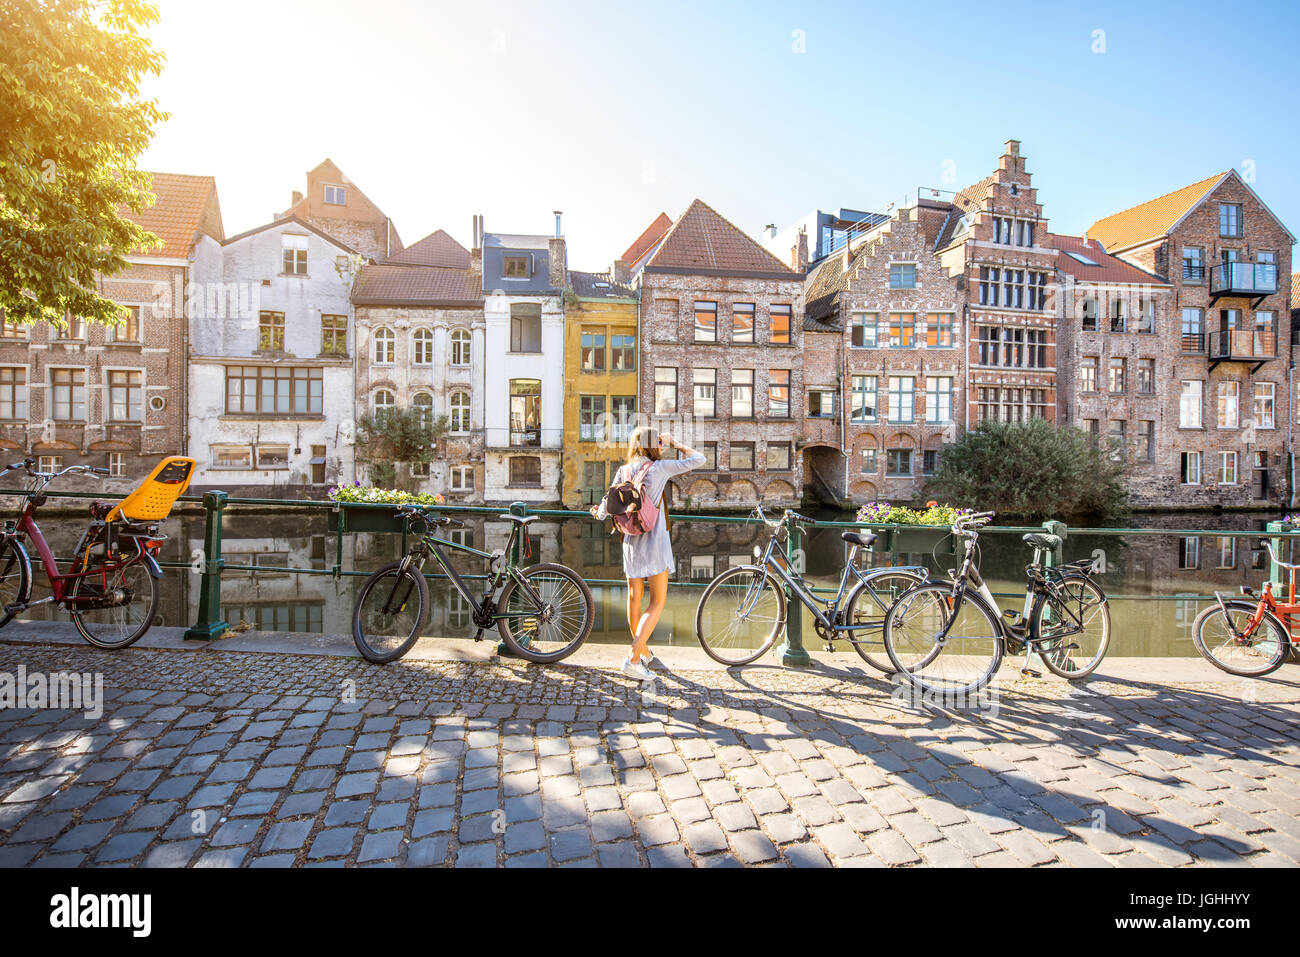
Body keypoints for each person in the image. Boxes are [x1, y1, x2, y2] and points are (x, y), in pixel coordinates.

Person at [590, 427, 705, 680]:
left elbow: (609, 504)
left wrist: (597, 513)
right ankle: (633, 658)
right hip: (654, 544)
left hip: (630, 542)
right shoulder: (659, 468)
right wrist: (676, 443)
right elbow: (699, 459)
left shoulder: (625, 469)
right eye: (660, 444)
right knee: (657, 603)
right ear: (654, 446)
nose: (662, 448)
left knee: (634, 599)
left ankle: (642, 651)